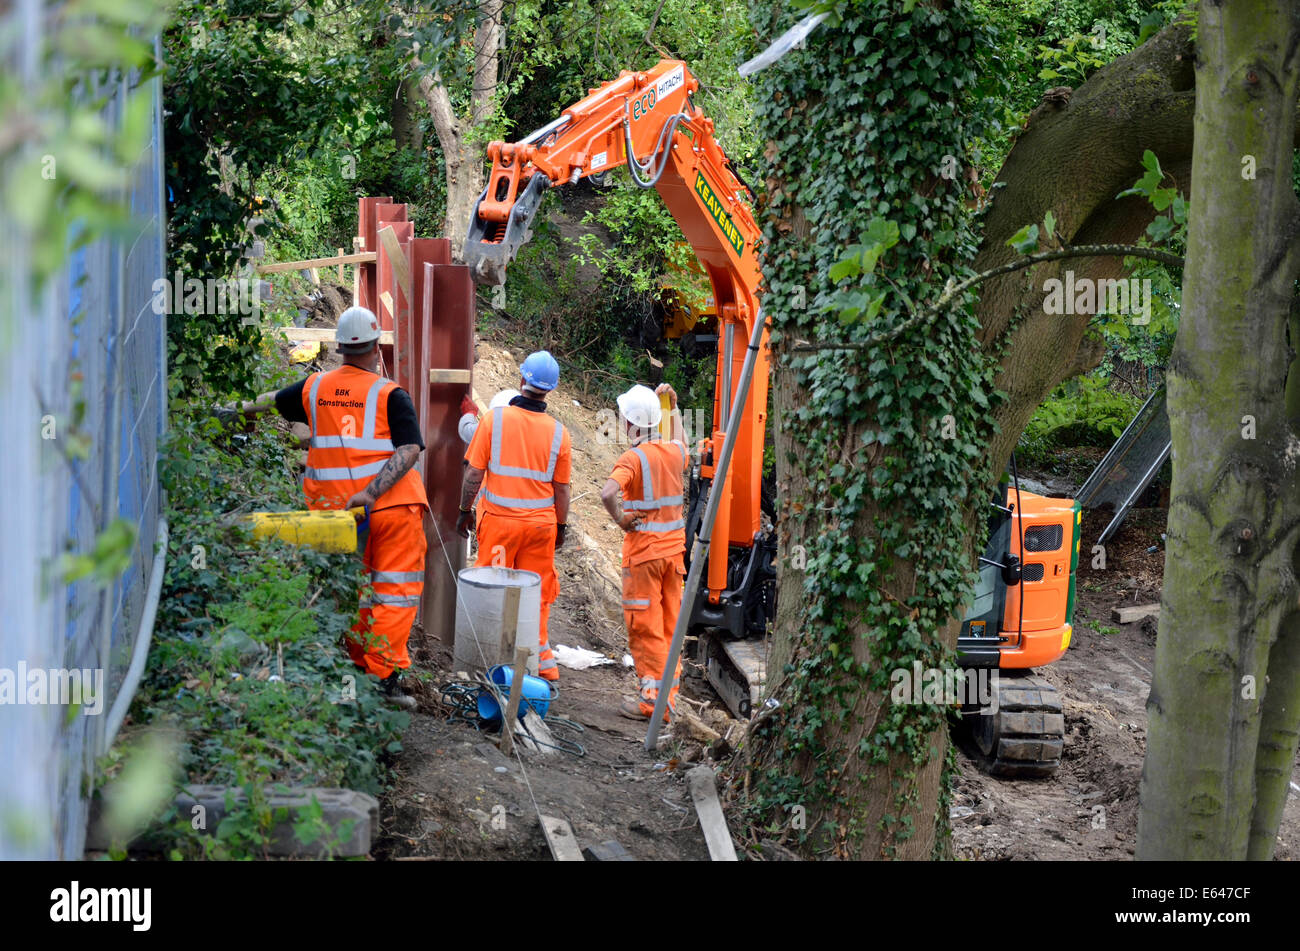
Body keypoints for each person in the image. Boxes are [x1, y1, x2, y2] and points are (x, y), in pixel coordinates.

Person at [269, 306, 428, 709]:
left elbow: (270, 401)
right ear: (376, 348)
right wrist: (373, 492)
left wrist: (235, 414)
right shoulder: (390, 394)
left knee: (354, 593)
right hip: (393, 509)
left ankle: (356, 671)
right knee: (395, 593)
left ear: (339, 347)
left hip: (338, 517)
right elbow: (409, 449)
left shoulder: (314, 388)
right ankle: (380, 679)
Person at [457, 352, 570, 681]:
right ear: (550, 390)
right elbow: (562, 491)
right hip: (541, 527)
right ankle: (540, 665)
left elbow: (473, 475)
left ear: (522, 381)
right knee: (535, 591)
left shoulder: (495, 420)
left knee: (493, 588)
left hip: (502, 524)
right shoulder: (559, 433)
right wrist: (561, 527)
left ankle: (489, 660)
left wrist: (465, 512)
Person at [600, 383, 686, 722]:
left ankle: (652, 701)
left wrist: (622, 520)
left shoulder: (632, 458)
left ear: (630, 424)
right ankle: (669, 698)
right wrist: (674, 408)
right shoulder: (676, 453)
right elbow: (680, 440)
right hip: (674, 555)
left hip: (644, 557)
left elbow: (608, 493)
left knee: (645, 625)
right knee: (670, 624)